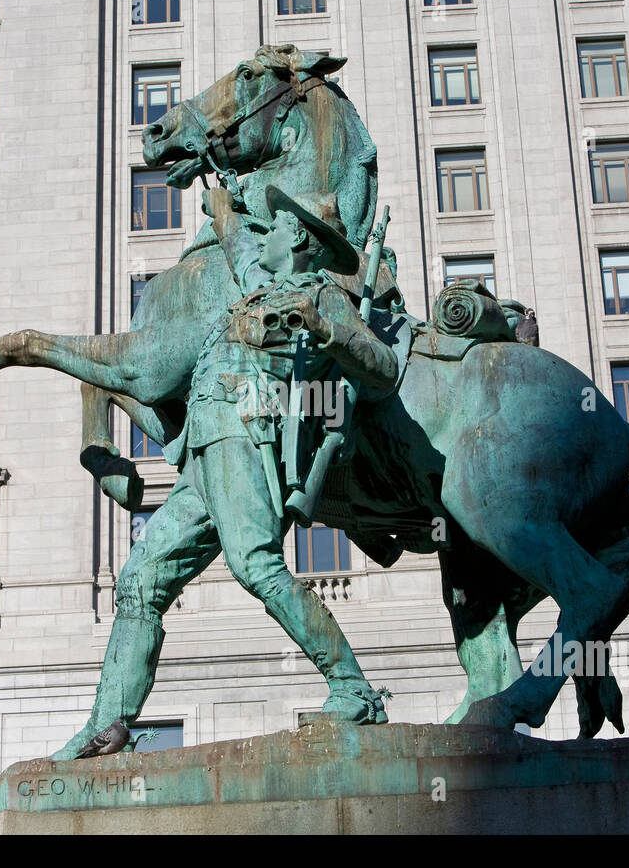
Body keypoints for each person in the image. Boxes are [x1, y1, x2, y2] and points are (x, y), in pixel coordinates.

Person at [52, 186, 398, 759]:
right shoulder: (250, 274)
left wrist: (324, 326)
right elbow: (235, 234)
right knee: (140, 577)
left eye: (282, 225)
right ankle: (106, 726)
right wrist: (219, 200)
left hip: (245, 434)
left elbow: (381, 368)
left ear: (302, 240)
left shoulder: (321, 295)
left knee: (256, 564)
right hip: (200, 452)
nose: (270, 232)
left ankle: (352, 688)